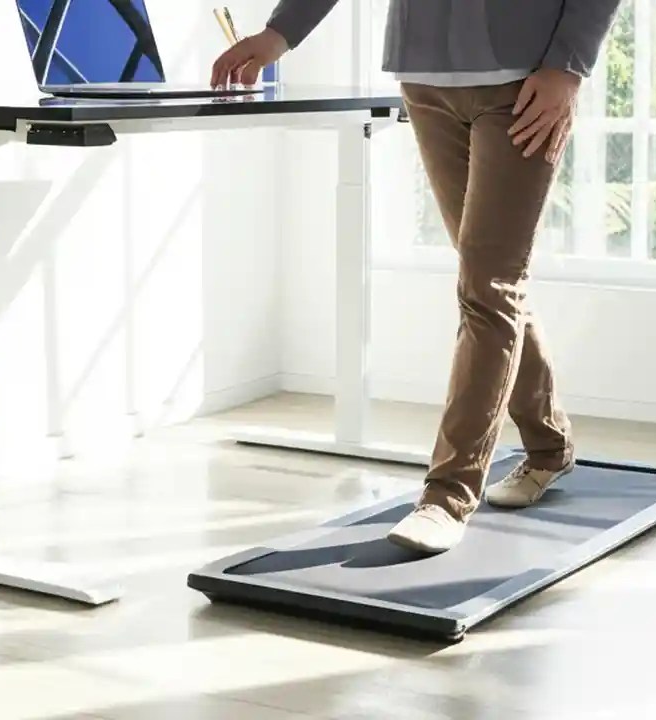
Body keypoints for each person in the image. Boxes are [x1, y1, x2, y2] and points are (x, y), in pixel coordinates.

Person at [212, 0, 621, 554]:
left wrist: (568, 65)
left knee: (488, 286)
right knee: (491, 281)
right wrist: (280, 34)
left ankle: (447, 497)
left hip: (525, 80)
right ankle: (549, 447)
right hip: (426, 76)